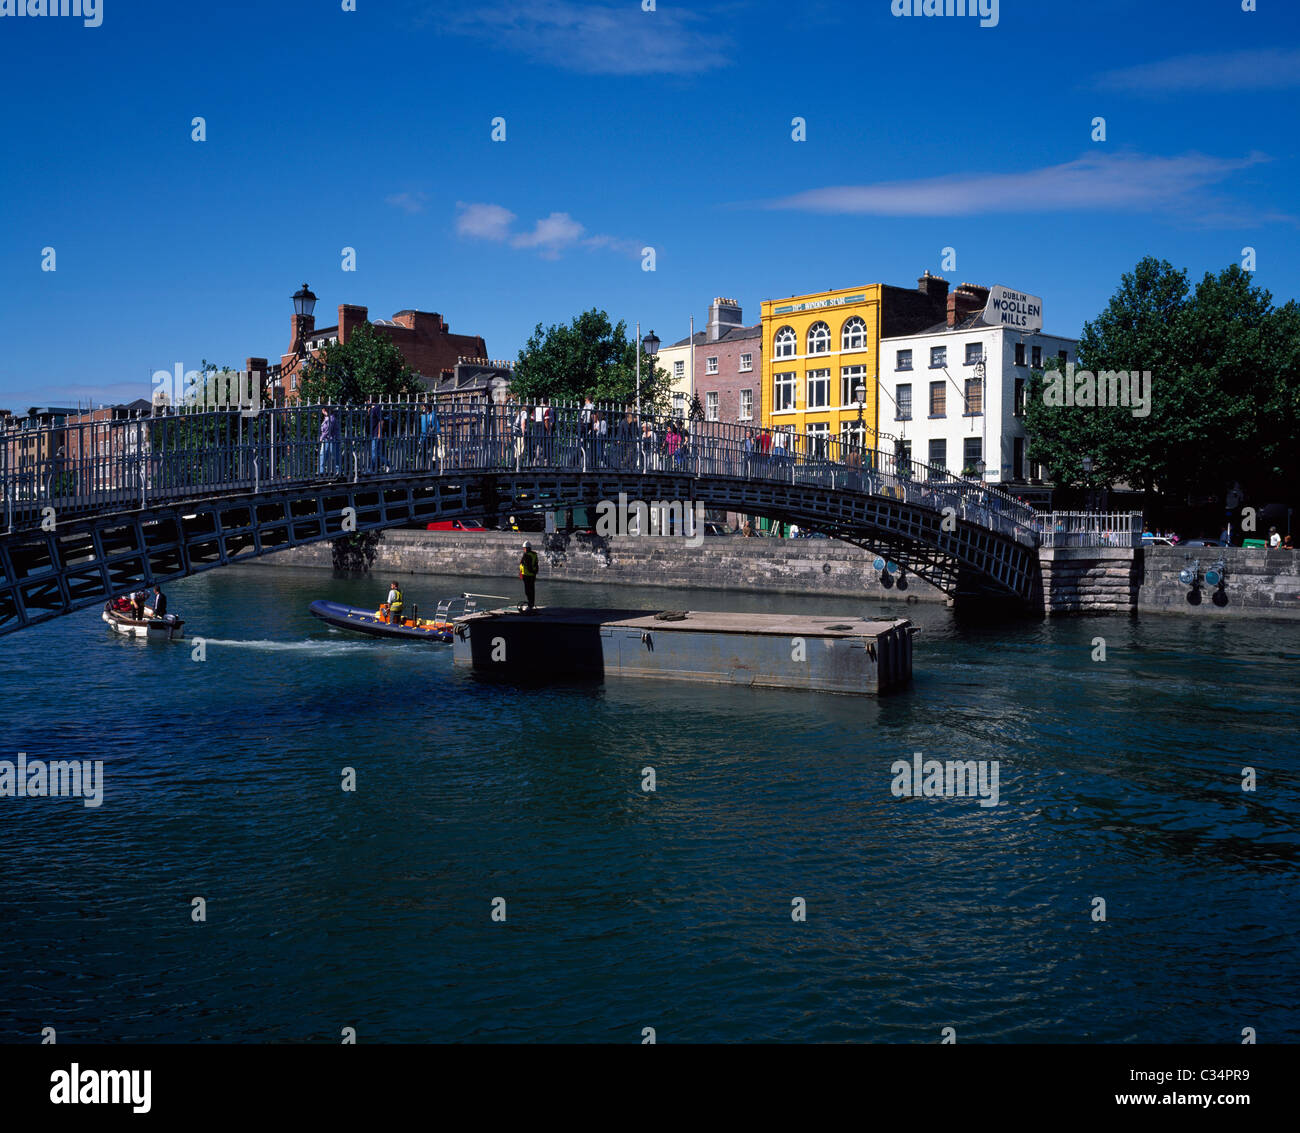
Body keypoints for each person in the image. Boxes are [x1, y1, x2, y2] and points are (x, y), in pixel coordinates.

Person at [519, 541, 539, 611]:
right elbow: (536, 564)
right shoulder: (534, 554)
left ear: (526, 548)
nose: (524, 549)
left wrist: (522, 572)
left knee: (528, 591)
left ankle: (530, 605)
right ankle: (531, 604)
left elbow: (527, 566)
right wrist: (534, 573)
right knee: (532, 590)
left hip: (527, 575)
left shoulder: (527, 555)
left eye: (524, 548)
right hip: (532, 575)